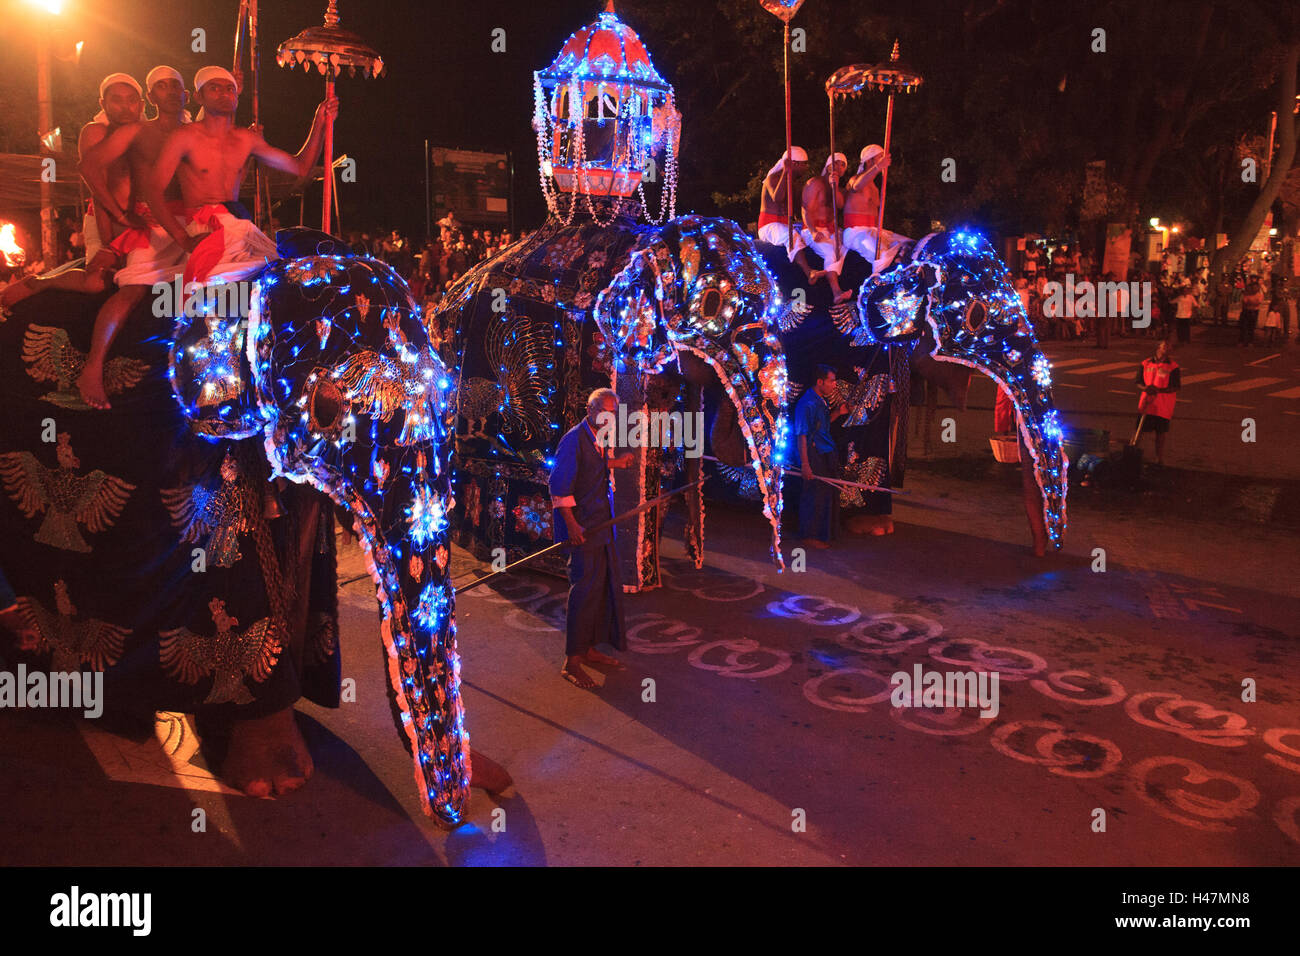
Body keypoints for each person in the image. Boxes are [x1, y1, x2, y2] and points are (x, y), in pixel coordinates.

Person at [68, 66, 195, 408]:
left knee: (220, 283)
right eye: (161, 87)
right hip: (141, 220)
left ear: (187, 94)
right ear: (151, 97)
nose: (171, 92)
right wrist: (117, 230)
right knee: (114, 284)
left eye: (176, 86)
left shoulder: (194, 130)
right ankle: (93, 367)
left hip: (187, 221)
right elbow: (92, 173)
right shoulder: (130, 131)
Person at [0, 73, 144, 314]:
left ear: (141, 104)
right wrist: (109, 241)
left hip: (138, 220)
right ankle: (39, 282)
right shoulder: (96, 132)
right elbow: (98, 190)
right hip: (105, 217)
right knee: (97, 283)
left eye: (131, 100)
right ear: (103, 103)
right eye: (117, 100)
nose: (125, 106)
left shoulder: (147, 133)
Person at [549, 389, 636, 690]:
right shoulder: (573, 440)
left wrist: (615, 464)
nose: (610, 417)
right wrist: (572, 526)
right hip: (583, 530)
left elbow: (592, 467)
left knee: (599, 590)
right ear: (590, 409)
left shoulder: (599, 436)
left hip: (600, 528)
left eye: (613, 412)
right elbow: (559, 487)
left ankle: (587, 648)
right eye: (605, 411)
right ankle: (572, 661)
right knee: (584, 591)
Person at [795, 365, 847, 549]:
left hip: (825, 451)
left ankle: (823, 534)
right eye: (831, 381)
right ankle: (809, 535)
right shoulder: (806, 404)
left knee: (826, 493)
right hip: (813, 453)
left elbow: (821, 426)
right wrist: (805, 464)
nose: (834, 385)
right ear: (820, 382)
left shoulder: (820, 401)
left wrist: (838, 413)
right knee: (815, 494)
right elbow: (801, 435)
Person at [801, 154, 852, 302]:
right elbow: (805, 210)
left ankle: (826, 271)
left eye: (843, 164)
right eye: (836, 163)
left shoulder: (838, 189)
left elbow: (840, 205)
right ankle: (836, 292)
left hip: (831, 230)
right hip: (813, 228)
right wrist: (813, 231)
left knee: (846, 246)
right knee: (831, 252)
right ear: (828, 165)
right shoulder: (814, 183)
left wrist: (834, 186)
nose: (839, 166)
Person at [842, 144, 898, 270]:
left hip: (873, 230)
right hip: (855, 232)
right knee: (882, 255)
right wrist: (878, 167)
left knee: (906, 245)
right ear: (868, 161)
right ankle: (877, 281)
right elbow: (857, 186)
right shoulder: (855, 179)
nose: (883, 160)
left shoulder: (875, 188)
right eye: (880, 157)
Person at [1134, 340, 1181, 465]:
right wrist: (1145, 388)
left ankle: (1159, 459)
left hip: (1163, 406)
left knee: (1160, 433)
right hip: (1146, 404)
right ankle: (1133, 455)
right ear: (1158, 347)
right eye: (1165, 345)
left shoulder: (1173, 367)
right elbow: (1138, 381)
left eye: (1170, 346)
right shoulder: (1145, 363)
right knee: (1139, 430)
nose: (1168, 348)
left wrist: (1159, 390)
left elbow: (1176, 387)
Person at [1239, 276, 1263, 346]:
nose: (1254, 289)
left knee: (1251, 327)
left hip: (1254, 311)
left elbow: (1258, 302)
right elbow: (1244, 301)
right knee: (1244, 327)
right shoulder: (1247, 294)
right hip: (1246, 311)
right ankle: (1242, 341)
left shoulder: (1259, 294)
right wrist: (1251, 301)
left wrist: (1250, 301)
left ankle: (1250, 341)